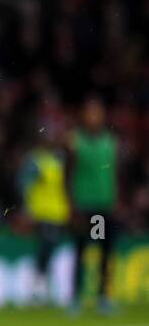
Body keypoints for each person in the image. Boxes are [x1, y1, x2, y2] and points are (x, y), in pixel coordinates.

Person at [68, 96, 119, 313]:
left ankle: (103, 297)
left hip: (104, 206)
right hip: (84, 206)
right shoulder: (75, 141)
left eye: (96, 112)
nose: (93, 117)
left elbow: (115, 174)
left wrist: (117, 199)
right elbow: (67, 174)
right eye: (89, 112)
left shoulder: (110, 142)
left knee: (104, 252)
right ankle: (76, 298)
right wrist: (71, 203)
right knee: (81, 251)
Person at [18, 121, 71, 305]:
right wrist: (28, 209)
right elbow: (24, 185)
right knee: (47, 246)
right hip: (42, 212)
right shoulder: (35, 160)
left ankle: (41, 285)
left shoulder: (59, 158)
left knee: (51, 248)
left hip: (58, 212)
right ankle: (37, 287)